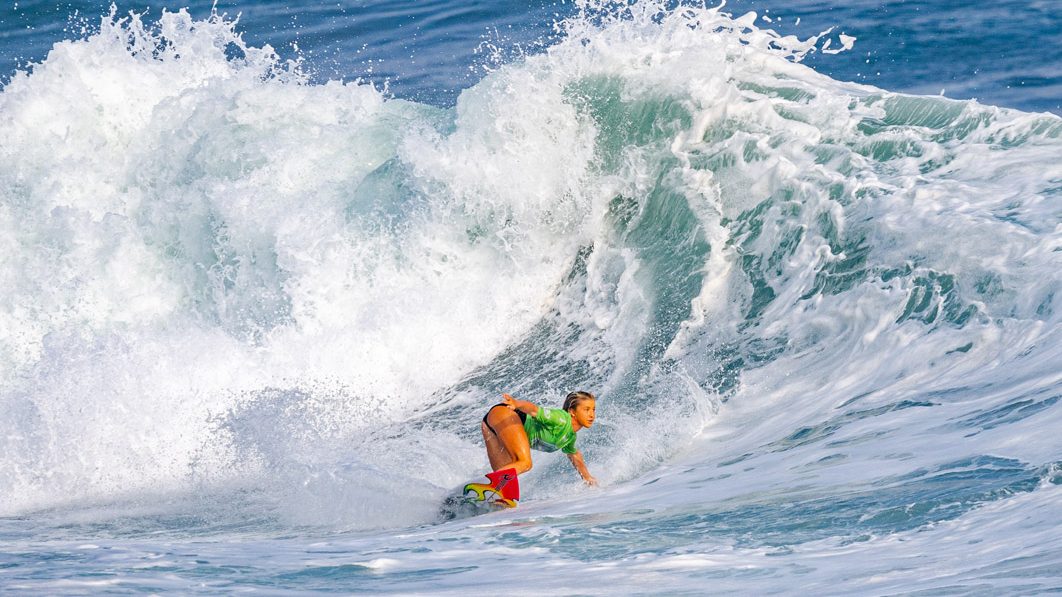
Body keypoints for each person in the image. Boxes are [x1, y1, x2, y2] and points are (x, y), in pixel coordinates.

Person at [480, 391, 597, 486]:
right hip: (507, 413)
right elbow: (534, 409)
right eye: (586, 409)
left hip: (490, 424)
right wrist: (517, 403)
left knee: (503, 483)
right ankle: (482, 490)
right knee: (525, 463)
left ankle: (473, 497)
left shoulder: (569, 437)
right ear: (572, 411)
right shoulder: (560, 418)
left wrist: (587, 478)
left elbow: (574, 455)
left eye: (593, 409)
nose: (591, 414)